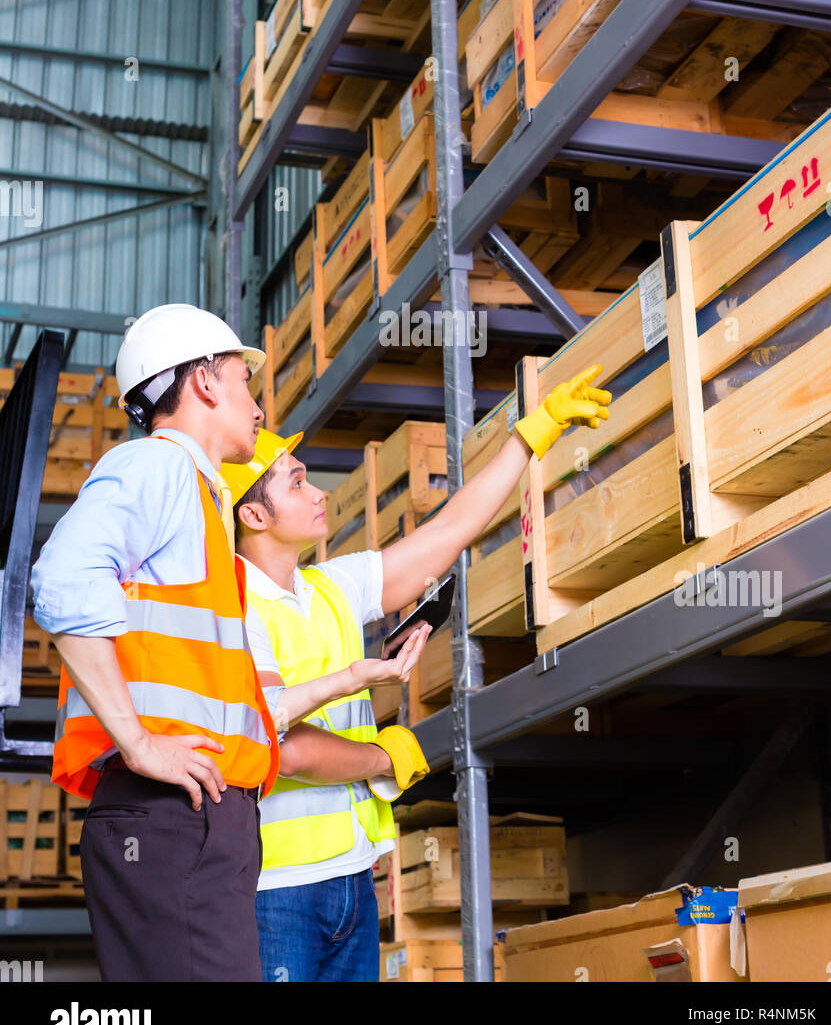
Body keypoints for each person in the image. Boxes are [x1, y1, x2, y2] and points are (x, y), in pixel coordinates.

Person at [31, 303, 425, 983]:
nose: (259, 408)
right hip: (170, 814)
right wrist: (139, 741)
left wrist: (351, 676)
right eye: (245, 382)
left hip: (198, 819)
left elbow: (224, 705)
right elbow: (61, 579)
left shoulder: (202, 511)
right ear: (207, 384)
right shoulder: (159, 469)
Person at [222, 363, 611, 982]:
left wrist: (528, 435)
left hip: (352, 875)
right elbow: (283, 746)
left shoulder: (331, 588)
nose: (318, 491)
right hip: (278, 888)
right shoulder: (233, 608)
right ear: (255, 517)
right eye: (296, 484)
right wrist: (383, 759)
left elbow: (450, 531)